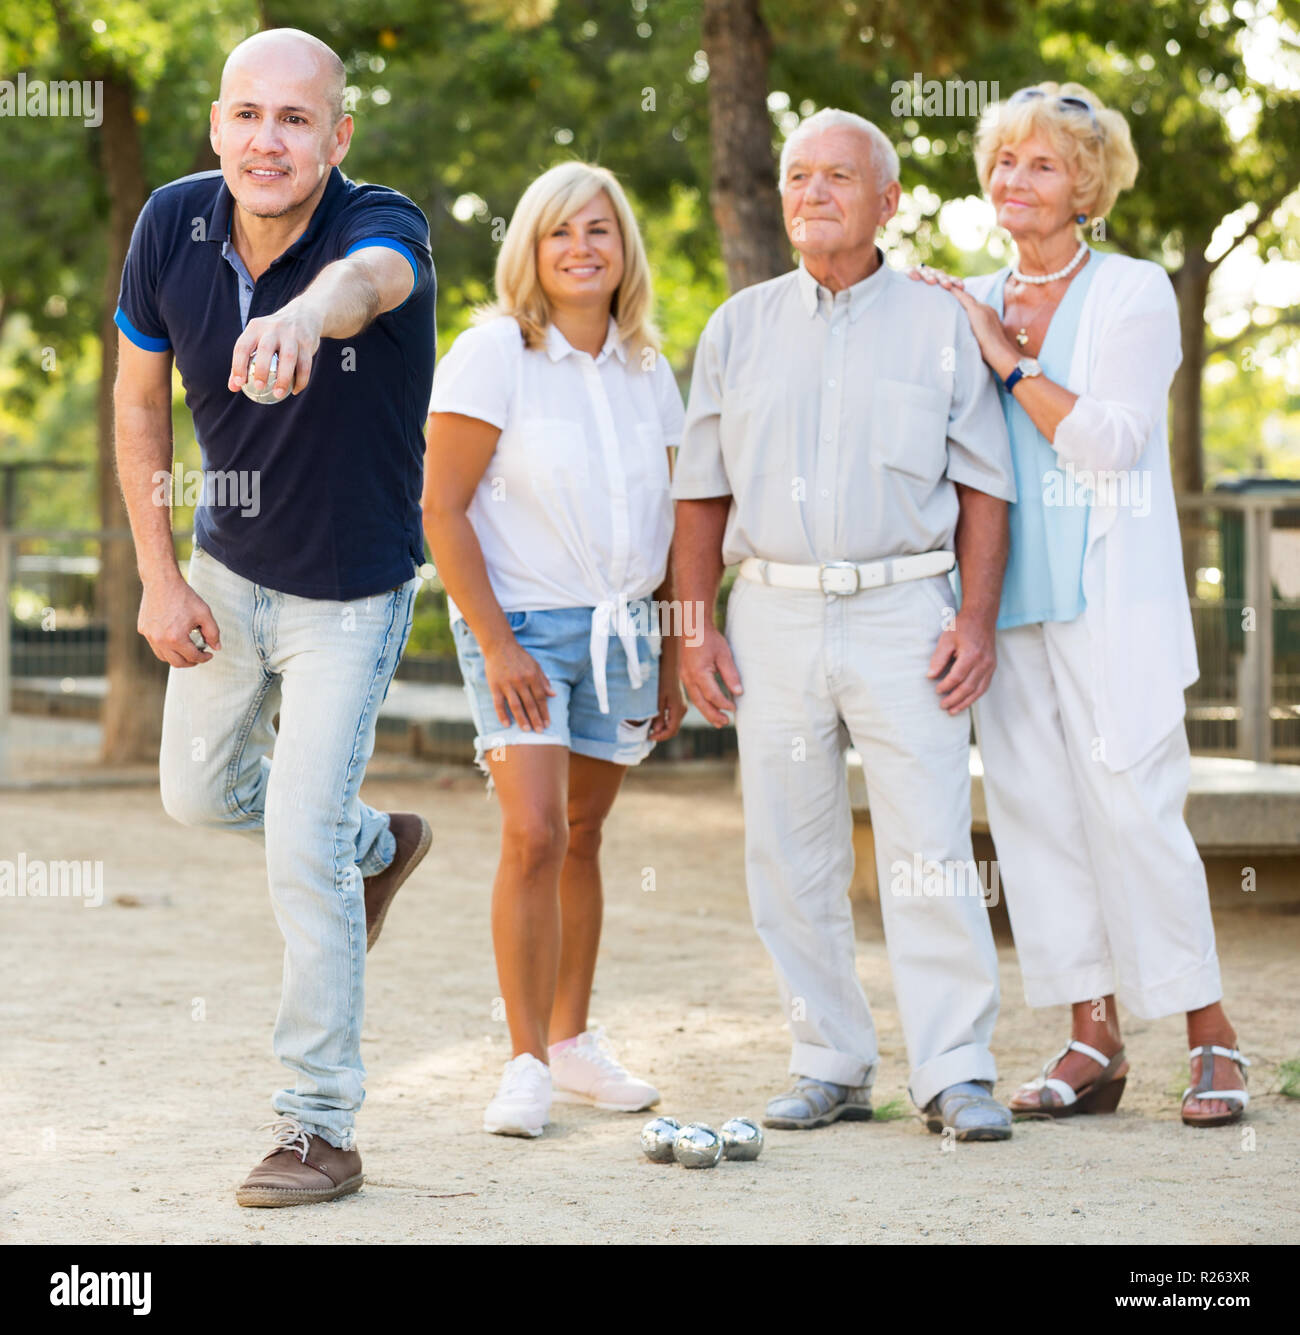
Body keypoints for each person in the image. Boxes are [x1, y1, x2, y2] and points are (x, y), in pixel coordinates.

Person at [114, 28, 437, 1207]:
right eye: (247, 115)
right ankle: (374, 843)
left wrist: (307, 316)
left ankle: (319, 1127)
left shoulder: (377, 225)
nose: (269, 139)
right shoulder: (170, 225)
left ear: (336, 136)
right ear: (216, 127)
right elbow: (138, 402)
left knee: (296, 852)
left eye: (296, 120)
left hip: (350, 590)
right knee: (196, 793)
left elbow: (370, 285)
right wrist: (159, 572)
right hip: (225, 570)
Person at [674, 108, 1019, 1142]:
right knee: (788, 851)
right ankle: (826, 1060)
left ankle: (955, 1070)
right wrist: (694, 631)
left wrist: (976, 616)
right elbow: (697, 496)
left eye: (837, 177)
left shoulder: (941, 321)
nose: (812, 194)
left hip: (905, 609)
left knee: (926, 849)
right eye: (796, 178)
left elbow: (984, 489)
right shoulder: (736, 327)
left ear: (888, 200)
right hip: (769, 611)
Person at [911, 82, 1249, 1127]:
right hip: (1004, 602)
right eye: (1005, 160)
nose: (1015, 179)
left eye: (1043, 164)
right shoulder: (954, 296)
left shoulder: (1134, 291)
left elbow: (1110, 439)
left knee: (1135, 814)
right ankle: (1090, 1037)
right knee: (1035, 821)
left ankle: (1210, 1035)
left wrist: (1005, 359)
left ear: (1088, 187)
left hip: (1110, 601)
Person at [423, 162, 686, 1139]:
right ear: (530, 250)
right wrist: (496, 644)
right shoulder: (494, 352)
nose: (581, 248)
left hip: (622, 628)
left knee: (584, 835)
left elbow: (669, 521)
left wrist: (667, 648)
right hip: (523, 626)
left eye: (600, 231)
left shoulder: (649, 370)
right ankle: (524, 1060)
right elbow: (440, 510)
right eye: (560, 233)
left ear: (625, 252)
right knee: (533, 832)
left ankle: (574, 1045)